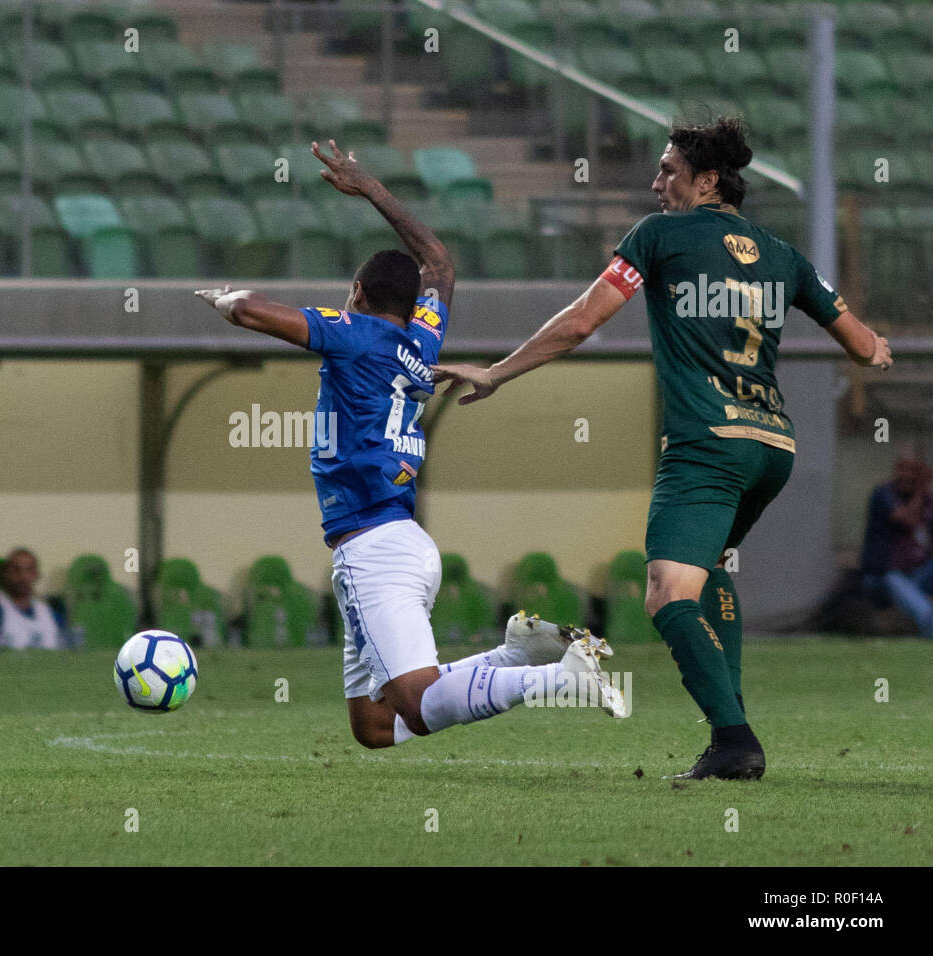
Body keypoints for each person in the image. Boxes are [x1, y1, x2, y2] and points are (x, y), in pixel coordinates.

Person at [432, 116, 892, 780]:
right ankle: (728, 726)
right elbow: (860, 342)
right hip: (771, 446)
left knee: (665, 594)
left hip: (706, 443)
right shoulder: (783, 255)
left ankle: (734, 740)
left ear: (708, 182)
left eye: (669, 171)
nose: (656, 184)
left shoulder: (659, 237)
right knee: (708, 573)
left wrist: (496, 371)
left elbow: (584, 319)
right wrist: (878, 348)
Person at [194, 139, 622, 751]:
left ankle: (558, 678)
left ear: (359, 294)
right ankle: (513, 655)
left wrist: (227, 298)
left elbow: (252, 311)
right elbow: (441, 263)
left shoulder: (353, 334)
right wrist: (369, 187)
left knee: (419, 709)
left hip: (373, 548)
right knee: (375, 727)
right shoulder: (421, 340)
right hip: (399, 542)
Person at [861, 451, 933, 636]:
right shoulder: (884, 494)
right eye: (902, 469)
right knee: (894, 579)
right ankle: (930, 624)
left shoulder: (927, 501)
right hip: (882, 576)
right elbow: (906, 519)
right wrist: (922, 488)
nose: (906, 475)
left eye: (912, 470)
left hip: (916, 574)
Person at [0, 548, 66, 649]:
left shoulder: (52, 616)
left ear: (36, 575)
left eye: (29, 570)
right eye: (16, 570)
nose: (23, 577)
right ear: (6, 574)